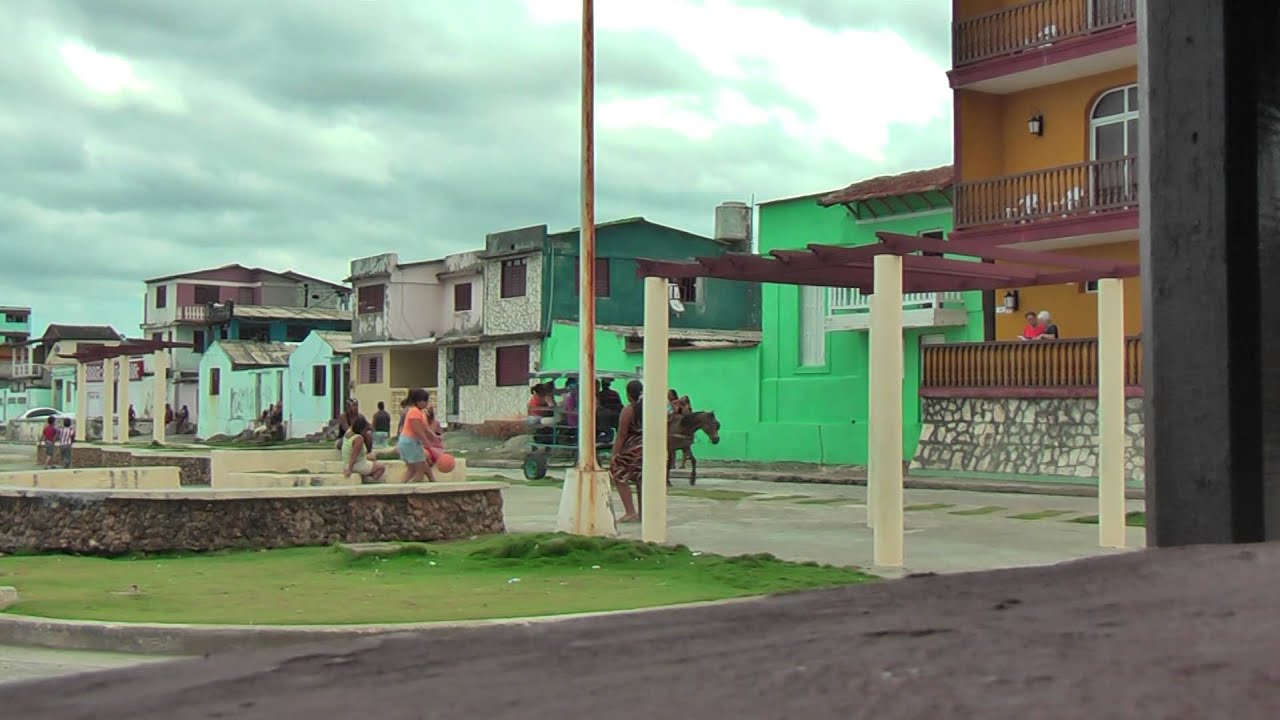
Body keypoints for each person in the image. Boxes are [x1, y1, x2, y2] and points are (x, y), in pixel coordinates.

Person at [610, 380, 645, 523]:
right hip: (647, 447)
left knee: (619, 475)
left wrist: (615, 454)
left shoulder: (629, 410)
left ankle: (630, 511)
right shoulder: (649, 408)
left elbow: (622, 433)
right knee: (641, 480)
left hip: (633, 450)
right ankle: (644, 512)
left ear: (629, 394)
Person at [397, 388, 438, 483]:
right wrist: (428, 444)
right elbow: (418, 431)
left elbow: (425, 427)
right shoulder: (414, 412)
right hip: (410, 442)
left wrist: (434, 437)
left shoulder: (418, 412)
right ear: (418, 401)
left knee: (411, 470)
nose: (427, 403)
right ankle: (410, 491)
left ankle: (400, 488)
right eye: (425, 400)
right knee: (419, 472)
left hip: (408, 442)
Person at [343, 416, 386, 483]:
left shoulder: (348, 433)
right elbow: (354, 456)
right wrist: (349, 469)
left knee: (372, 457)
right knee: (381, 467)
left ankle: (367, 476)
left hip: (350, 462)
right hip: (356, 464)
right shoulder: (358, 439)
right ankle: (370, 481)